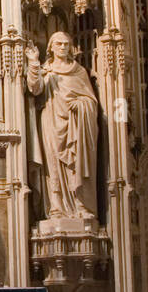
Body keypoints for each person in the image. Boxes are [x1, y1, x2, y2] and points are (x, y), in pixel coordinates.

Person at [26, 31, 99, 221]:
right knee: (53, 165)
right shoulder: (47, 70)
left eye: (66, 44)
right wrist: (33, 62)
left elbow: (91, 101)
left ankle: (79, 204)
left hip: (75, 125)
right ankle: (56, 207)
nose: (63, 47)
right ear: (51, 47)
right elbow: (34, 88)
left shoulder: (79, 71)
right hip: (51, 120)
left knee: (75, 164)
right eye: (58, 44)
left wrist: (82, 104)